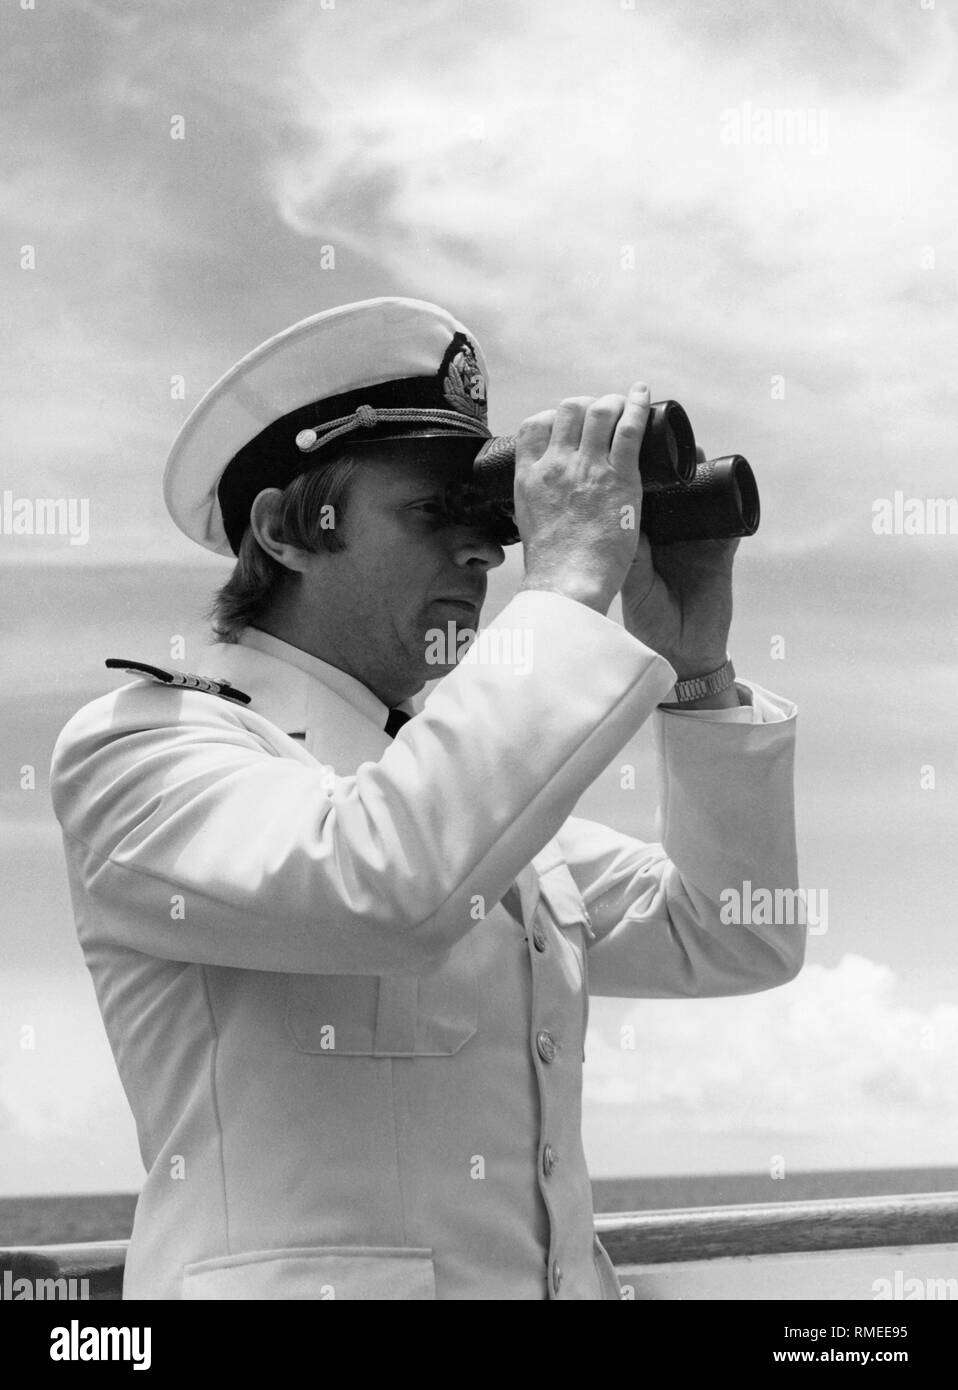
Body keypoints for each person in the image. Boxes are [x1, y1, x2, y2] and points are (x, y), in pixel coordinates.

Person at [50, 297, 803, 1301]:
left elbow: (733, 935)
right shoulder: (141, 751)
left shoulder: (458, 791)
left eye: (490, 519)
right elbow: (384, 886)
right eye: (432, 515)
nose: (488, 553)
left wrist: (695, 672)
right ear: (284, 529)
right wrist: (569, 585)